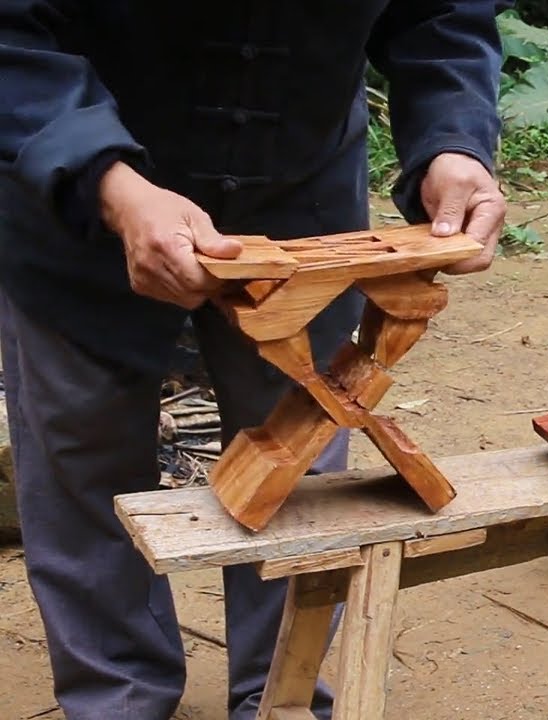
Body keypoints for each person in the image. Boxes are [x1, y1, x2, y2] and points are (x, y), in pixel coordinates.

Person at [0, 2, 508, 718]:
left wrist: (455, 140)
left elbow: (443, 13)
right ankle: (116, 698)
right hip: (73, 201)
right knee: (81, 453)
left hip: (303, 200)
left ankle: (285, 695)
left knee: (297, 459)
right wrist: (108, 184)